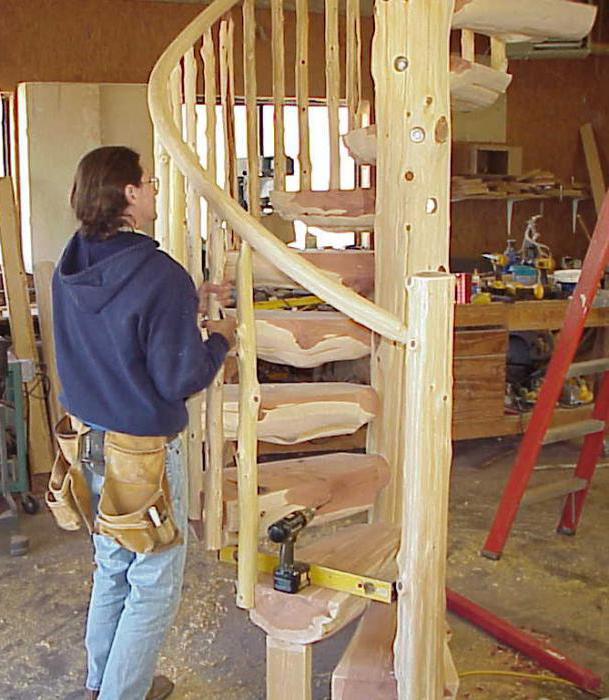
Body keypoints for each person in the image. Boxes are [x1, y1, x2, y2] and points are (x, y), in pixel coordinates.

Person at [52, 146, 236, 700]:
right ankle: (122, 693)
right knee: (155, 579)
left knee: (113, 566)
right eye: (149, 181)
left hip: (88, 437)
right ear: (129, 193)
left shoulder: (76, 260)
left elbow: (120, 324)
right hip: (142, 451)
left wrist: (188, 303)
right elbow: (179, 377)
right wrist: (223, 338)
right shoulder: (159, 274)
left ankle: (103, 685)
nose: (155, 188)